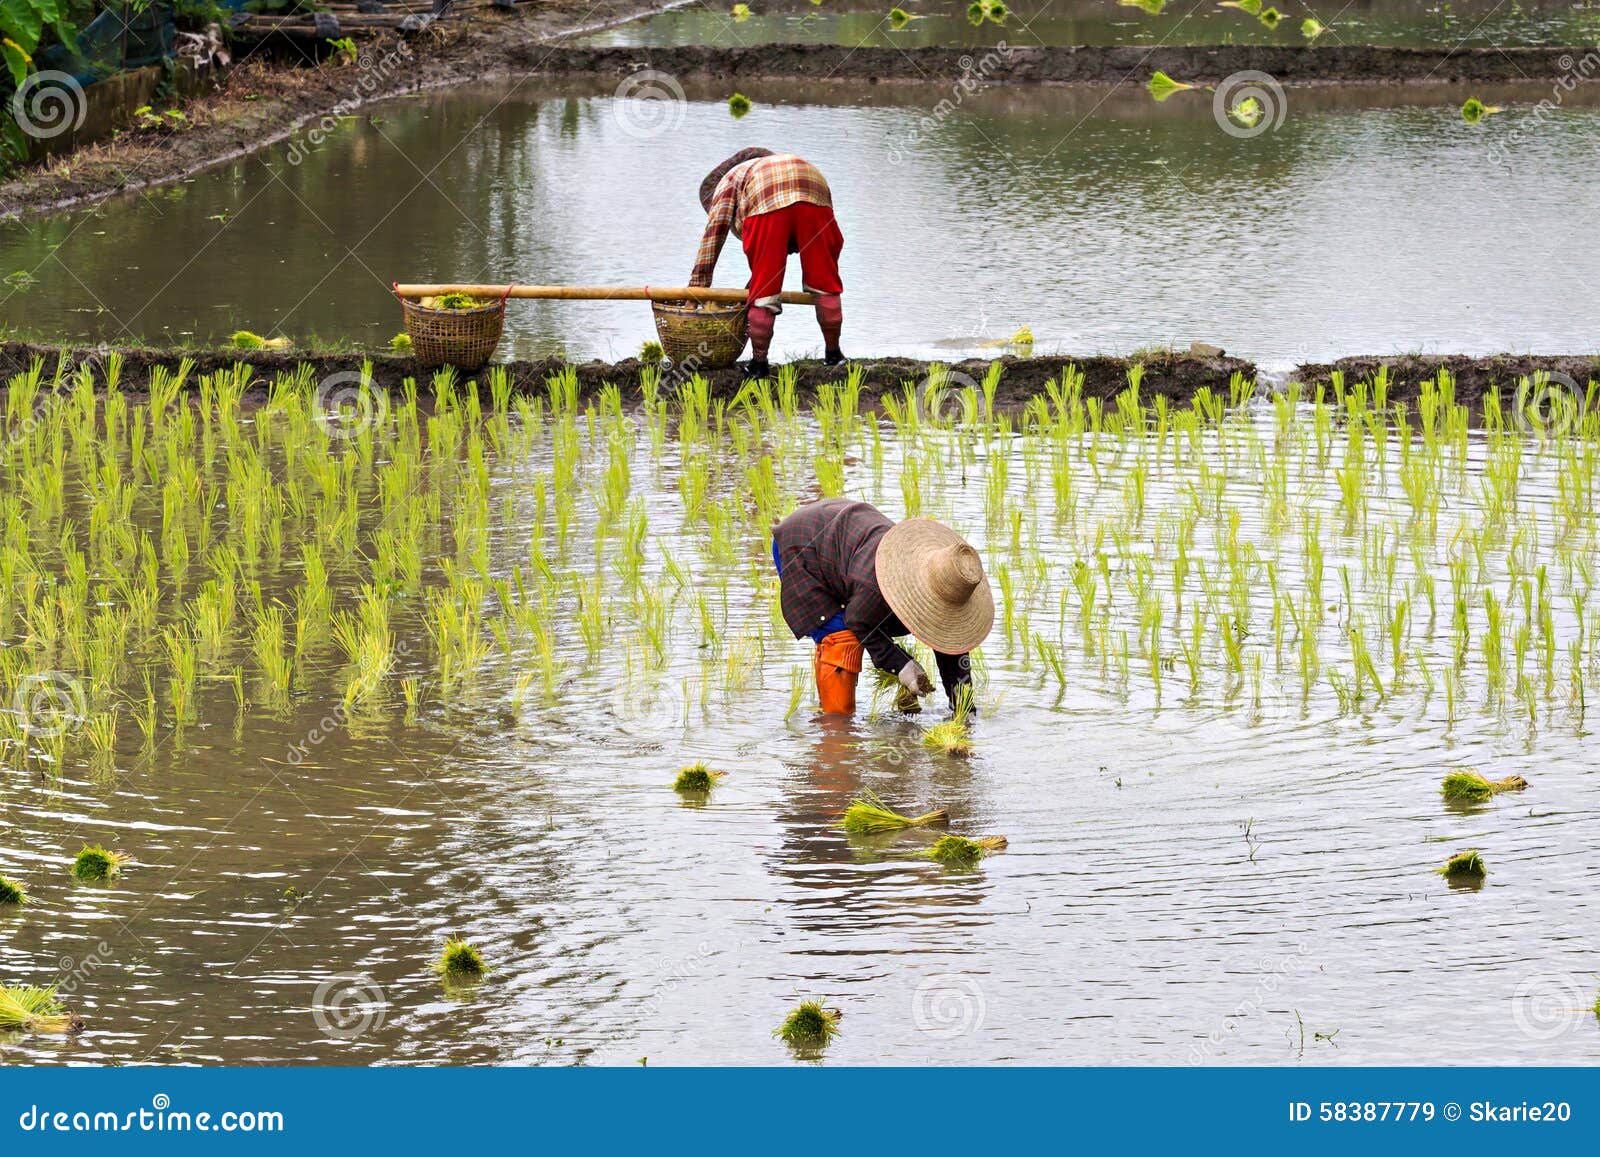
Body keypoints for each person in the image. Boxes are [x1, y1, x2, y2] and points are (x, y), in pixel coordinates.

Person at [772, 499, 993, 715]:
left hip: (846, 533)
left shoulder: (949, 585)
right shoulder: (878, 584)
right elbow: (858, 620)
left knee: (868, 620)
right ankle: (835, 730)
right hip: (803, 542)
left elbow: (951, 648)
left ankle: (830, 716)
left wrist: (963, 709)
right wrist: (902, 665)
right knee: (840, 639)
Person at [689, 148, 845, 380]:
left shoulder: (728, 181)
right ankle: (834, 355)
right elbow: (801, 223)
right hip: (816, 196)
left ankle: (759, 364)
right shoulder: (785, 163)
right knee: (825, 282)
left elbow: (713, 237)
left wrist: (697, 287)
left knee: (764, 294)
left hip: (766, 207)